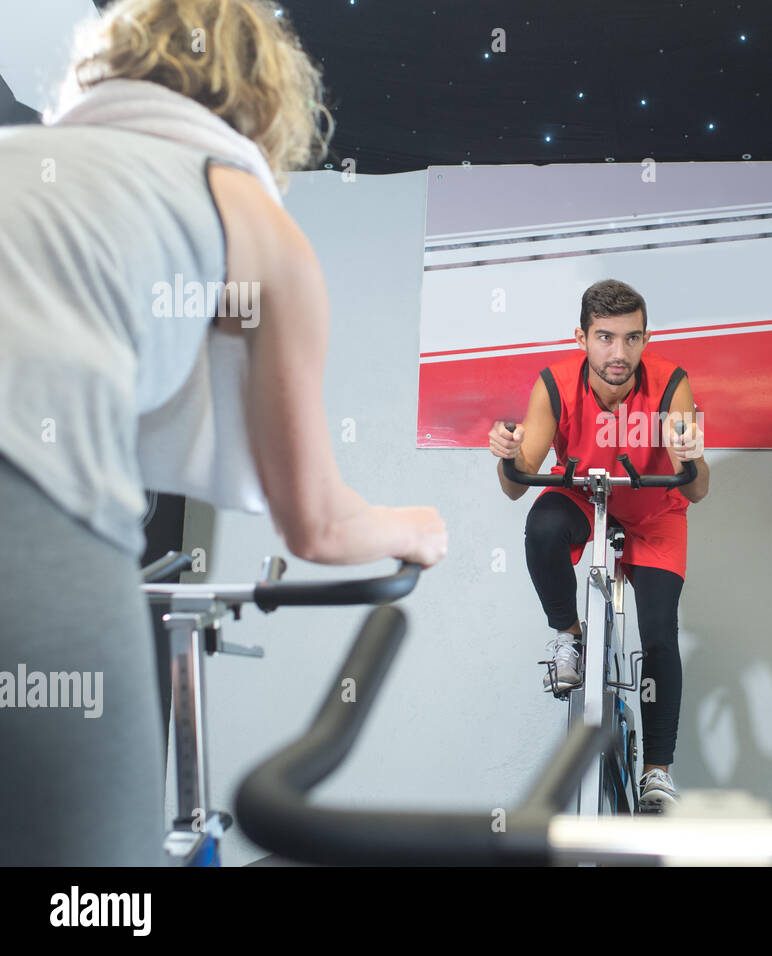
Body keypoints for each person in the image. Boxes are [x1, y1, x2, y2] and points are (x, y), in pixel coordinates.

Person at [0, 0, 446, 866]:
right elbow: (315, 524)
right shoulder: (246, 209)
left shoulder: (18, 156)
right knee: (96, 894)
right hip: (31, 514)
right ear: (266, 97)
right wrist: (415, 531)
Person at [487, 279, 709, 811]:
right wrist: (507, 455)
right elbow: (517, 487)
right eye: (605, 338)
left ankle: (657, 772)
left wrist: (692, 456)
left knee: (659, 637)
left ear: (645, 338)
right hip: (588, 499)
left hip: (655, 511)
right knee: (543, 526)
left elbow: (697, 490)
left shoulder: (673, 384)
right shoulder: (555, 384)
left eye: (632, 339)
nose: (619, 353)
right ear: (582, 338)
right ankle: (570, 635)